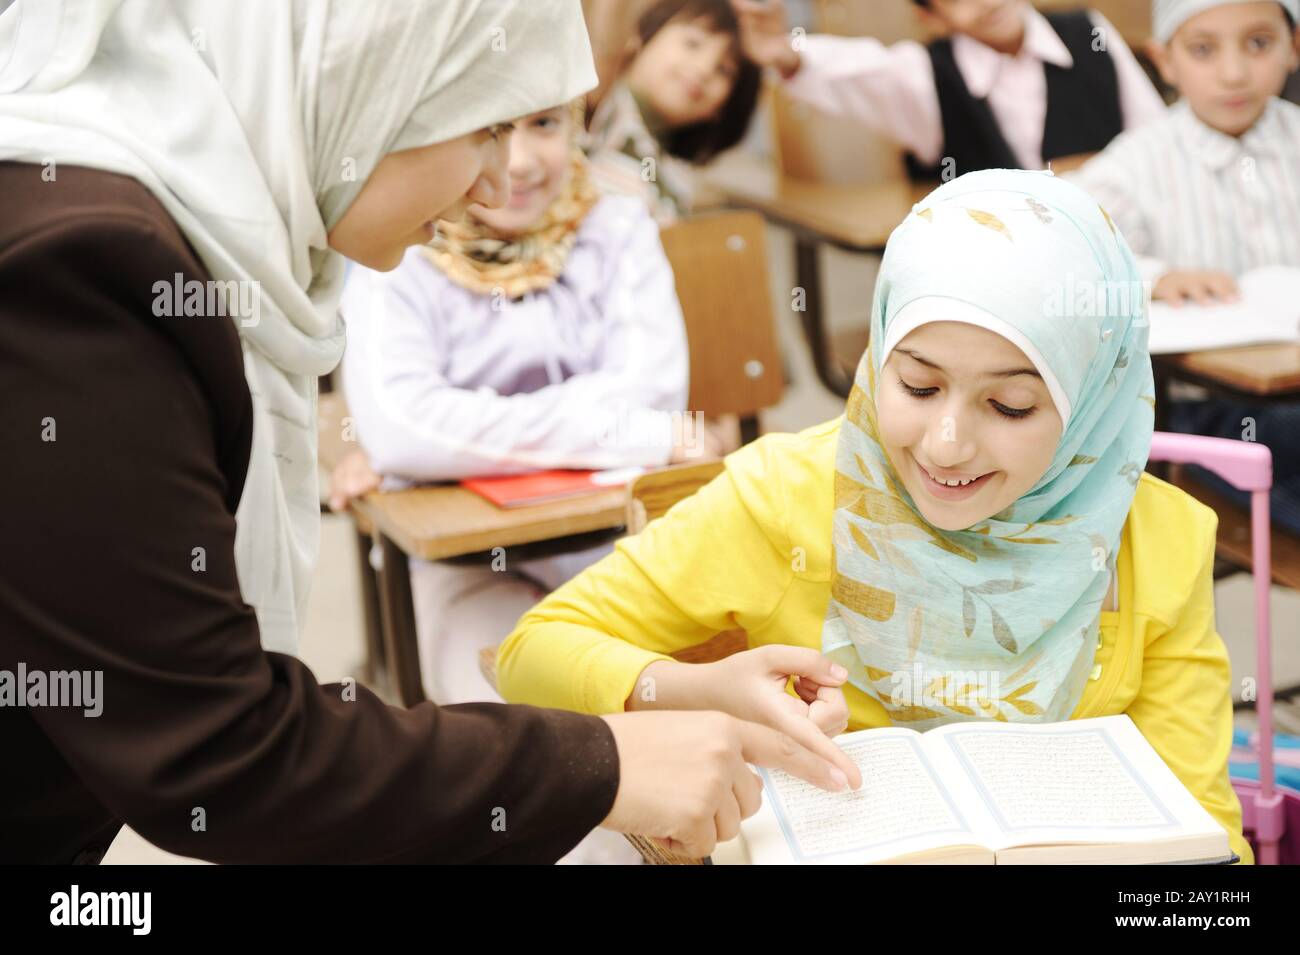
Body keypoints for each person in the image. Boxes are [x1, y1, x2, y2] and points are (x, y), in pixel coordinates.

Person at [0, 0, 856, 864]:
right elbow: (218, 746)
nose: (497, 182)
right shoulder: (87, 270)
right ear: (367, 78)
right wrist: (603, 758)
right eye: (481, 127)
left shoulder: (203, 238)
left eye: (537, 126)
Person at [497, 168, 1253, 863]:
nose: (947, 444)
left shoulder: (1155, 540)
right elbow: (531, 652)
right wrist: (685, 689)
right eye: (918, 387)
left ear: (1092, 404)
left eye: (1010, 404)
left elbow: (1208, 836)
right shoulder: (786, 495)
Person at [1071, 0, 1300, 534]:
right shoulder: (1137, 164)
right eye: (1202, 49)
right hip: (1203, 412)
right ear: (1165, 61)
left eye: (1259, 44)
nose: (1234, 72)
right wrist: (1156, 277)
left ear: (1294, 47)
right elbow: (1061, 247)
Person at [732, 0, 1167, 178]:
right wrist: (787, 51)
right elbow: (855, 69)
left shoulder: (1088, 31)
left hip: (1118, 251)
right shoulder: (928, 75)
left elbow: (1156, 143)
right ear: (932, 17)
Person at [584, 0, 763, 223]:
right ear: (642, 34)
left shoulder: (676, 180)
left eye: (724, 70)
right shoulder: (597, 107)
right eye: (693, 43)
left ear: (722, 109)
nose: (704, 68)